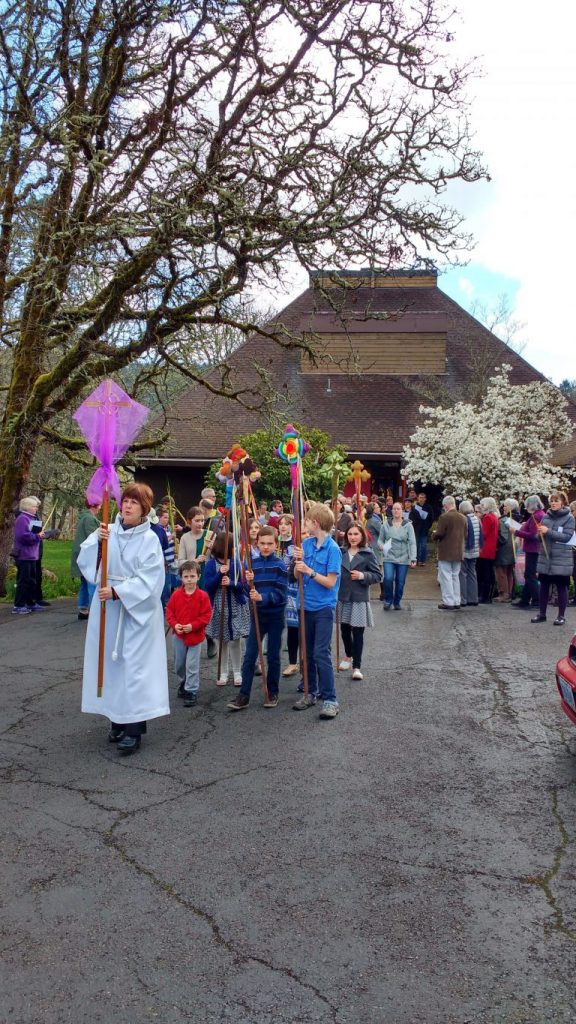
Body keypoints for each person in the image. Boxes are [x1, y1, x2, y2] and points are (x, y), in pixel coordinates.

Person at [77, 482, 169, 755]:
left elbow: (152, 578)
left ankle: (134, 728)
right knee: (111, 665)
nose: (127, 506)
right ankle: (116, 719)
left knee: (133, 668)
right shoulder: (109, 531)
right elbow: (87, 560)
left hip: (135, 611)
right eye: (125, 501)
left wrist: (119, 591)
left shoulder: (150, 538)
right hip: (108, 608)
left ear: (144, 509)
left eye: (134, 502)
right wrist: (97, 538)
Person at [227, 526, 288, 711]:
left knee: (274, 657)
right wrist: (248, 582)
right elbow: (246, 592)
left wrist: (263, 597)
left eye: (270, 543)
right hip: (257, 616)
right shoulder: (251, 564)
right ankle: (243, 695)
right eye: (262, 543)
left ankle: (272, 691)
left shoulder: (280, 565)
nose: (266, 547)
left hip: (276, 616)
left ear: (276, 544)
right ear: (257, 543)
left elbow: (281, 593)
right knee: (250, 656)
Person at [292, 502, 342, 719]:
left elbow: (331, 582)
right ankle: (310, 692)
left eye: (307, 521)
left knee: (321, 653)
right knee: (308, 653)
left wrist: (309, 571)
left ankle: (330, 699)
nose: (305, 525)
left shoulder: (334, 549)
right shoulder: (306, 544)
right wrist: (297, 565)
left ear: (316, 523)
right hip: (306, 606)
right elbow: (297, 576)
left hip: (323, 608)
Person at [203, 532, 250, 684]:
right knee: (222, 641)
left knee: (235, 641)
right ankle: (223, 672)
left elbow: (243, 587)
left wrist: (231, 582)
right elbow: (208, 587)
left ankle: (237, 672)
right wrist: (219, 575)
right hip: (218, 606)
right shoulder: (211, 564)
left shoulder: (237, 564)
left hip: (235, 605)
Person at [337, 522, 381, 680]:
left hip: (359, 598)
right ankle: (348, 656)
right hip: (342, 597)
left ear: (362, 535)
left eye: (356, 534)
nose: (353, 537)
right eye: (350, 534)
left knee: (358, 632)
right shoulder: (340, 551)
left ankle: (357, 666)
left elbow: (378, 575)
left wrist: (362, 576)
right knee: (344, 629)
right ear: (346, 536)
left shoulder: (368, 554)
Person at [166, 560, 212, 707]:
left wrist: (193, 626)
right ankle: (183, 682)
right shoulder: (176, 595)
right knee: (179, 664)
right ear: (181, 578)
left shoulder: (203, 596)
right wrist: (175, 625)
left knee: (191, 665)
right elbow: (170, 612)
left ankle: (191, 690)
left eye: (192, 576)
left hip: (195, 636)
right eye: (186, 577)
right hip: (178, 636)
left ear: (198, 576)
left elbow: (206, 616)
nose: (189, 579)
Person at [531, 491, 575, 626]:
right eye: (552, 501)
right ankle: (542, 614)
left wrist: (548, 531)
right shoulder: (546, 517)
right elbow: (539, 537)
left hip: (561, 558)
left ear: (563, 503)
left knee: (562, 586)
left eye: (556, 501)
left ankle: (561, 616)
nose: (553, 503)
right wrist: (539, 534)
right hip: (546, 557)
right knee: (544, 586)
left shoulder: (569, 518)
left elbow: (567, 537)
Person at [378, 501, 417, 610]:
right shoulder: (385, 524)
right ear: (392, 511)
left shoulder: (408, 525)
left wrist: (413, 558)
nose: (396, 511)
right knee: (388, 578)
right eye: (394, 509)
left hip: (403, 557)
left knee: (400, 582)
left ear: (402, 511)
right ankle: (388, 600)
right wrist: (381, 545)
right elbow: (380, 539)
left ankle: (397, 601)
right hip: (389, 556)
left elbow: (412, 542)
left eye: (398, 509)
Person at [11, 496, 46, 615]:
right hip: (24, 555)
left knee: (32, 580)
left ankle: (30, 602)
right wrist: (38, 536)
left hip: (32, 555)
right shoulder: (23, 519)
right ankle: (18, 605)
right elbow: (23, 536)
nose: (36, 508)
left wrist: (40, 535)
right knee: (23, 580)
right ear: (28, 507)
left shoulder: (31, 518)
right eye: (34, 506)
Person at [433, 495, 467, 610]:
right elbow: (465, 534)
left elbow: (439, 533)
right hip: (458, 551)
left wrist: (434, 534)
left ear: (446, 505)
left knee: (446, 576)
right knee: (455, 576)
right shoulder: (463, 517)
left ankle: (448, 601)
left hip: (446, 551)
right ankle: (457, 600)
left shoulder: (444, 517)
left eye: (444, 506)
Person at [71, 500, 102, 619]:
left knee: (84, 582)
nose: (100, 508)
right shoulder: (89, 519)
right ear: (95, 505)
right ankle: (95, 611)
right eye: (99, 505)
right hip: (88, 555)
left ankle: (83, 609)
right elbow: (94, 537)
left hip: (82, 553)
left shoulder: (85, 517)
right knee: (92, 581)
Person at [277, 514, 300, 677]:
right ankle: (289, 662)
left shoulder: (295, 543)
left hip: (292, 588)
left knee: (294, 627)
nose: (283, 527)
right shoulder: (274, 541)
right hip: (276, 587)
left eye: (287, 524)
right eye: (281, 524)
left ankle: (296, 662)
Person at [514, 495, 545, 609]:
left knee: (530, 574)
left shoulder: (536, 516)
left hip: (533, 548)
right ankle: (525, 599)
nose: (526, 508)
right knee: (529, 574)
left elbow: (533, 535)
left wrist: (517, 532)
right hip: (534, 548)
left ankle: (537, 600)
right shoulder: (540, 514)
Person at [458, 500, 481, 607]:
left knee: (462, 574)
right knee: (473, 574)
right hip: (475, 551)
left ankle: (463, 599)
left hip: (465, 551)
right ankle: (474, 598)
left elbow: (462, 536)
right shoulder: (477, 519)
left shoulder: (463, 520)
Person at [493, 500, 517, 602]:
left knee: (501, 571)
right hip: (512, 548)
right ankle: (510, 593)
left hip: (503, 549)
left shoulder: (503, 521)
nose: (504, 508)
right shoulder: (516, 520)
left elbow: (502, 537)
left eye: (506, 506)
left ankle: (504, 593)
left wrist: (496, 543)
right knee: (509, 572)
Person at [477, 497, 499, 603]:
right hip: (491, 548)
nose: (481, 507)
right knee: (489, 572)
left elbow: (483, 534)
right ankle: (489, 594)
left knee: (484, 573)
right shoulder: (494, 517)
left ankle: (484, 596)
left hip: (485, 549)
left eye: (482, 505)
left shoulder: (487, 518)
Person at [365, 502, 384, 600]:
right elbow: (383, 532)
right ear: (373, 510)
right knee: (379, 571)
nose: (379, 508)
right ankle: (383, 593)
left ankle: (383, 593)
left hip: (373, 546)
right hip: (376, 547)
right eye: (377, 507)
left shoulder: (371, 519)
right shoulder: (374, 521)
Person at [410, 492, 433, 565]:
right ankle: (416, 560)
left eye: (423, 498)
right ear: (418, 498)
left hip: (424, 529)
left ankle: (423, 560)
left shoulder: (429, 507)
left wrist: (428, 527)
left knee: (423, 545)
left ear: (425, 499)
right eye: (420, 498)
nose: (421, 499)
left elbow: (431, 518)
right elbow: (412, 517)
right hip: (416, 529)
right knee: (416, 545)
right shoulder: (414, 507)